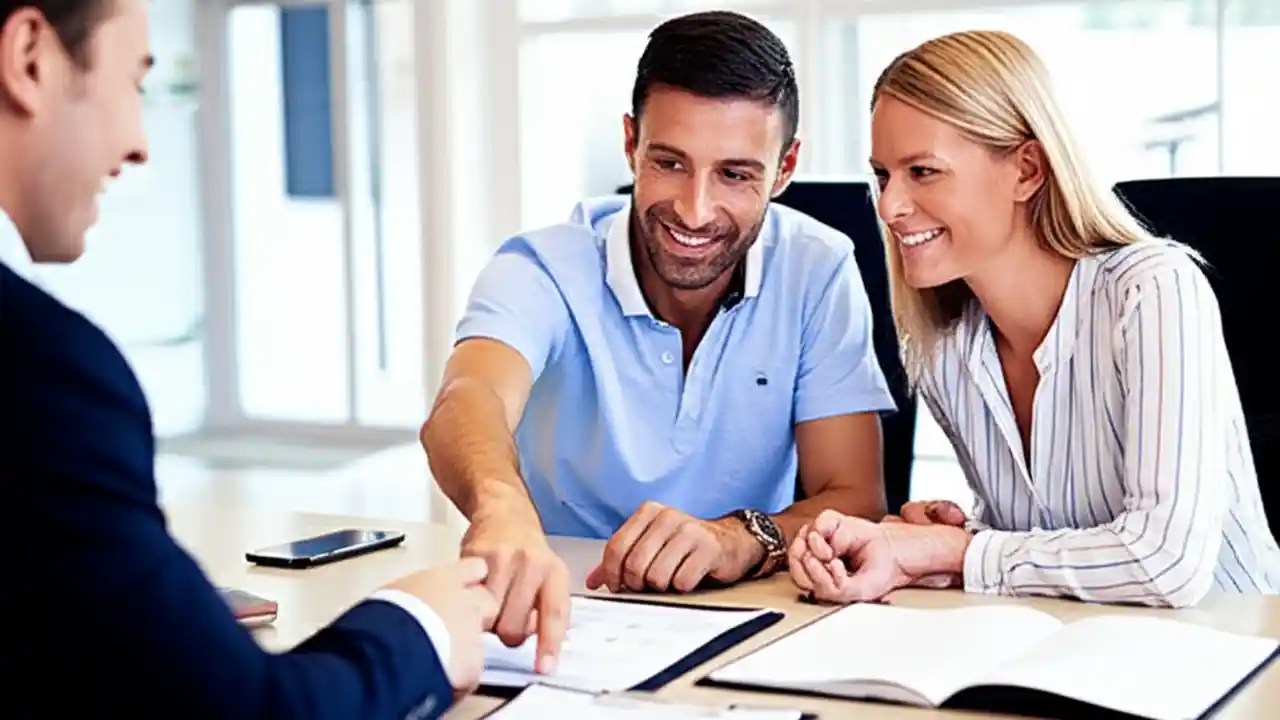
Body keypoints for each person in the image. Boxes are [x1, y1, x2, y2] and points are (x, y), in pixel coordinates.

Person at [0, 2, 497, 716]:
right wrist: (420, 625)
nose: (140, 143)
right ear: (30, 59)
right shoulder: (43, 374)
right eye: (134, 82)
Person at [423, 9, 896, 674]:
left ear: (786, 167)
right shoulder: (542, 266)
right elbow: (466, 397)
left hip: (757, 623)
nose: (695, 211)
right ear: (629, 145)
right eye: (670, 163)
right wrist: (501, 508)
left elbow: (856, 496)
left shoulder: (820, 270)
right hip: (563, 623)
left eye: (735, 174)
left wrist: (739, 539)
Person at [789, 29, 1280, 610]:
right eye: (883, 175)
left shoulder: (1152, 289)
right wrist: (955, 537)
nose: (890, 206)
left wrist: (952, 553)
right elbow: (1046, 551)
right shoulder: (946, 349)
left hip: (1232, 660)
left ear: (1026, 170)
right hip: (1073, 658)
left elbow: (1163, 561)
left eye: (922, 171)